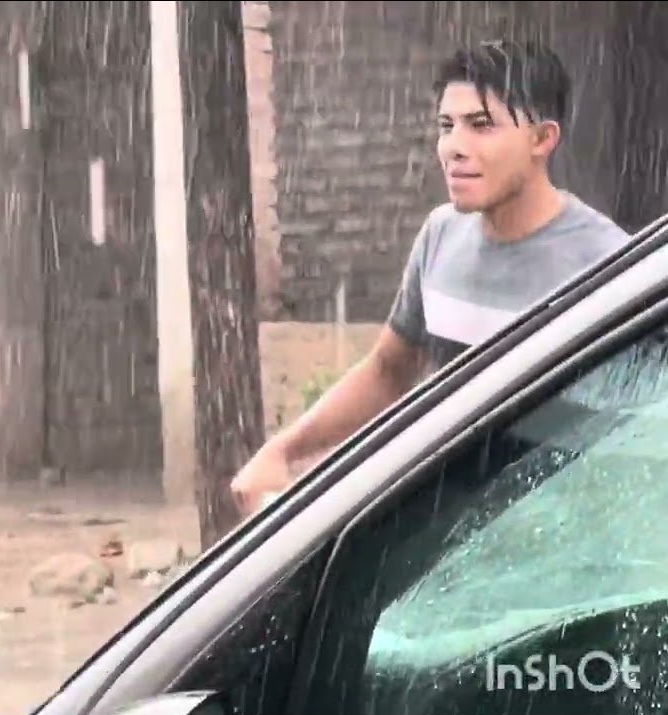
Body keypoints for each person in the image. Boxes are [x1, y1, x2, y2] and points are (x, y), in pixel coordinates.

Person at [230, 39, 632, 517]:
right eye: (446, 126)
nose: (454, 148)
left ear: (542, 139)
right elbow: (389, 370)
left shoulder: (606, 263)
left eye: (481, 125)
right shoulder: (442, 235)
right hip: (440, 528)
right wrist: (284, 450)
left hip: (550, 536)